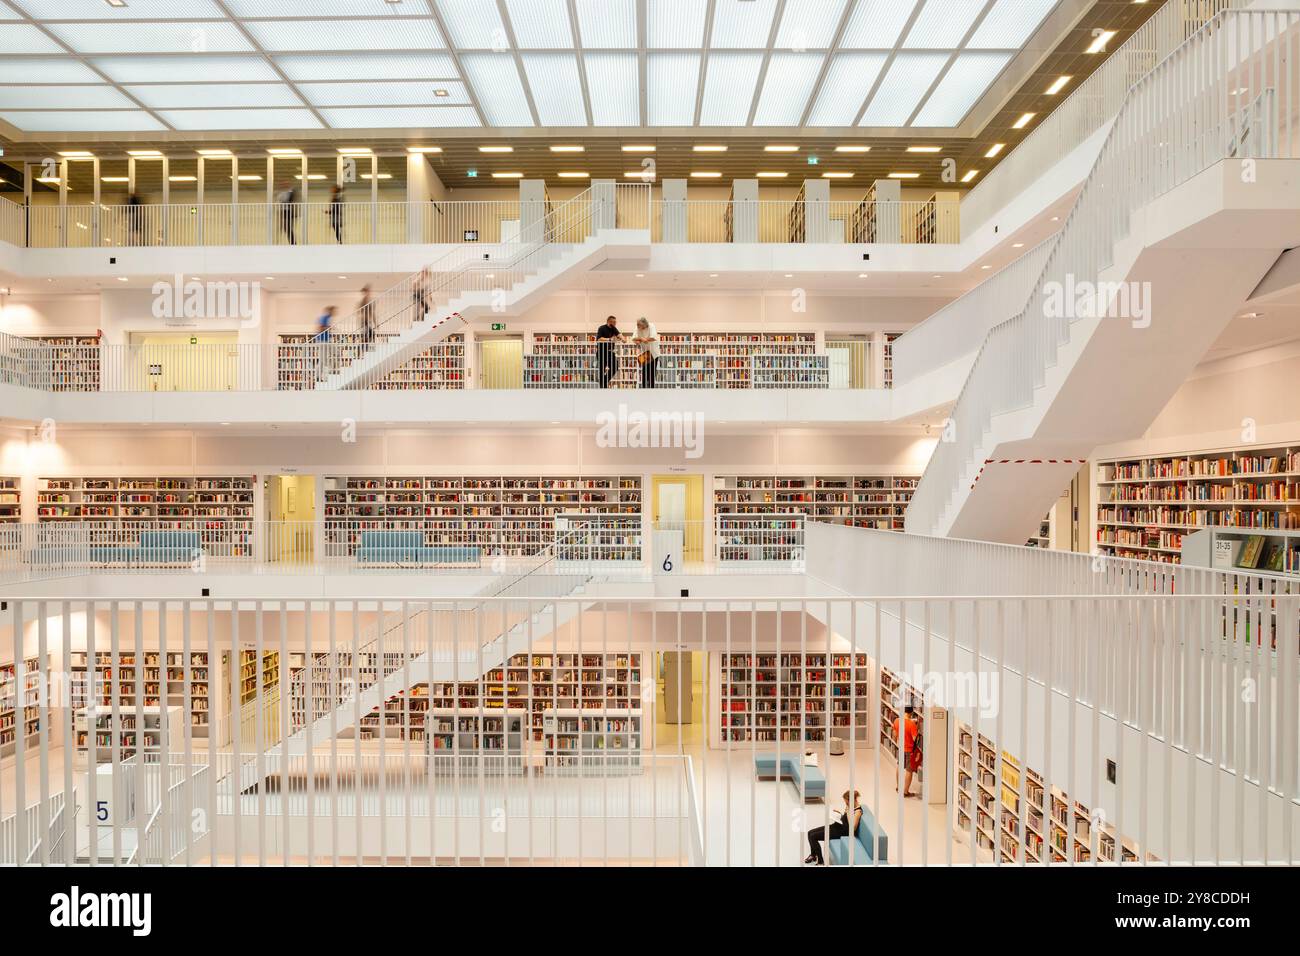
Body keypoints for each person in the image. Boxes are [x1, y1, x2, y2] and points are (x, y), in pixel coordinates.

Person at [805, 790, 863, 866]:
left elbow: (852, 828)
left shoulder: (858, 811)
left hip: (842, 832)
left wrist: (848, 811)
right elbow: (846, 819)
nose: (846, 803)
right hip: (837, 826)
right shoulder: (850, 806)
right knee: (810, 832)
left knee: (813, 836)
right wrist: (840, 814)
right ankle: (813, 855)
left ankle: (820, 861)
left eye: (847, 802)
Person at [893, 704, 922, 797]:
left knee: (899, 766)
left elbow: (894, 734)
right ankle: (905, 792)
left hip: (900, 748)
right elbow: (914, 739)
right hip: (910, 750)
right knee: (909, 770)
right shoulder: (912, 724)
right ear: (911, 713)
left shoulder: (897, 721)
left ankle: (898, 787)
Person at [632, 316, 659, 389]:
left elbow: (653, 337)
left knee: (652, 373)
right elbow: (633, 338)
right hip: (645, 353)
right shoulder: (637, 328)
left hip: (654, 353)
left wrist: (642, 340)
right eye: (637, 324)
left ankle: (652, 389)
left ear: (644, 324)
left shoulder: (651, 326)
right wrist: (641, 339)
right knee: (644, 372)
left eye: (638, 325)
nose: (637, 326)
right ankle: (644, 390)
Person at [595, 315, 621, 387]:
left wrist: (622, 338)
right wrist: (609, 339)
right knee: (602, 370)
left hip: (610, 352)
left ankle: (604, 381)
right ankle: (602, 386)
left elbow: (619, 335)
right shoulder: (602, 328)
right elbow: (599, 339)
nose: (615, 324)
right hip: (601, 352)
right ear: (609, 322)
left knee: (615, 366)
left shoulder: (614, 329)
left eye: (615, 322)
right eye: (614, 322)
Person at [313, 305, 335, 381]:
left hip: (326, 340)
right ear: (330, 311)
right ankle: (318, 376)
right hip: (322, 341)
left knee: (324, 359)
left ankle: (321, 375)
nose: (334, 313)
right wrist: (329, 327)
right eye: (333, 311)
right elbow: (320, 328)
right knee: (322, 359)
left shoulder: (328, 318)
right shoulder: (324, 317)